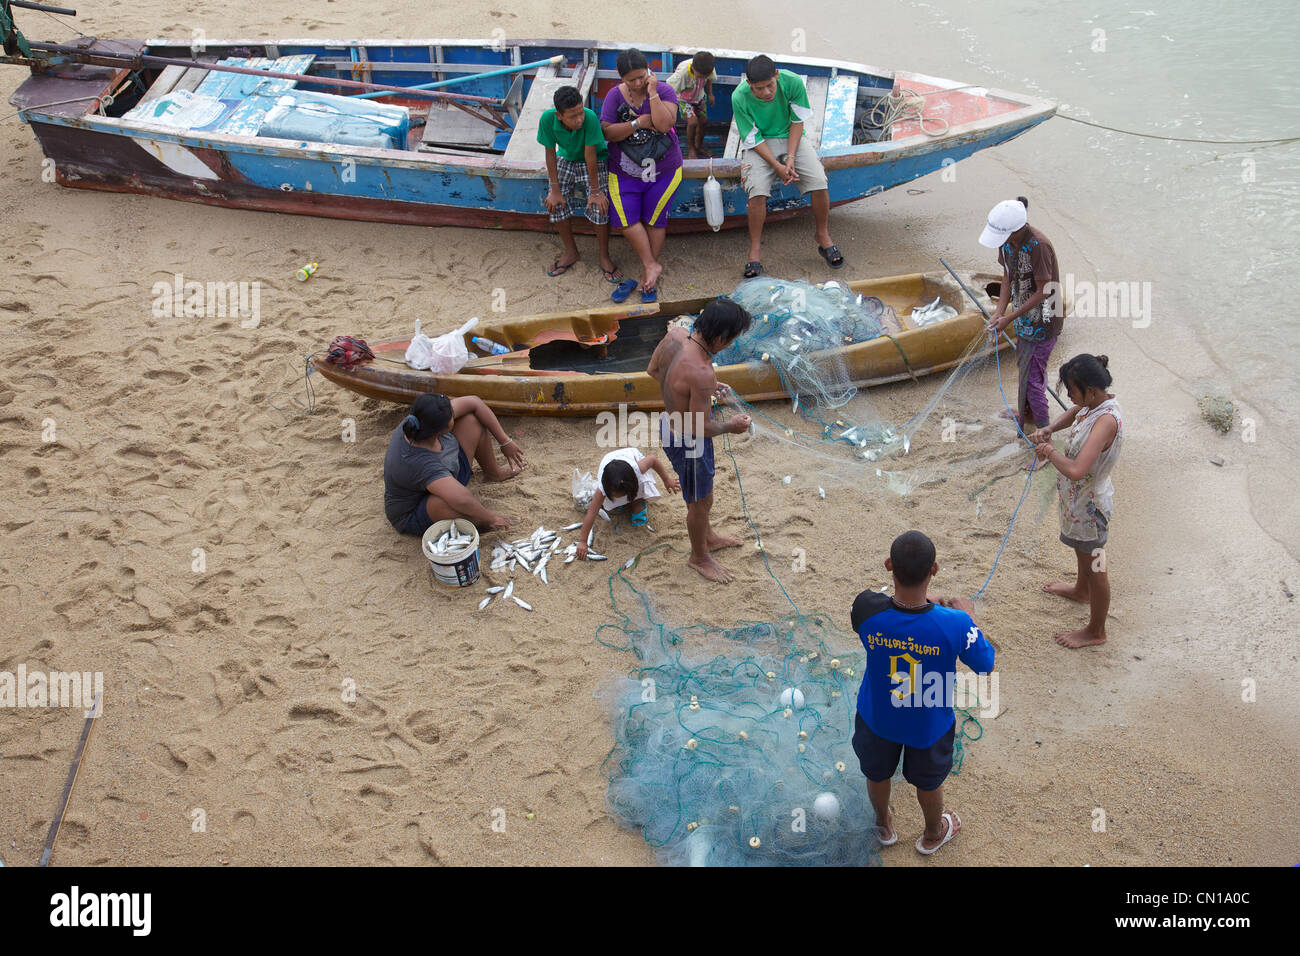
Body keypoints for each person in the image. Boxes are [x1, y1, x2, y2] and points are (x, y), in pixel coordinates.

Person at [850, 530, 995, 856]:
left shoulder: (866, 610)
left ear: (889, 565)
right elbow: (986, 665)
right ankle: (932, 833)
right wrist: (970, 616)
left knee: (877, 772)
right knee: (928, 781)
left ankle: (883, 824)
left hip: (878, 717)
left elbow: (886, 607)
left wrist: (924, 607)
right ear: (934, 569)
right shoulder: (956, 623)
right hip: (928, 723)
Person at [646, 299, 752, 582]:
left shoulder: (676, 335)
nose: (730, 346)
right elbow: (701, 426)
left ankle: (709, 537)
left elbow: (654, 371)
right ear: (719, 338)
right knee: (698, 502)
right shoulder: (703, 371)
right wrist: (732, 425)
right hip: (688, 440)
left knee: (704, 496)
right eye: (730, 340)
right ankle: (699, 557)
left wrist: (688, 392)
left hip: (670, 425)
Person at [1030, 354, 1124, 649]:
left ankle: (1097, 630)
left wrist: (1049, 450)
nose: (1069, 395)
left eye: (1072, 389)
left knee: (1096, 564)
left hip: (1092, 506)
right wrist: (1050, 429)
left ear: (1092, 390)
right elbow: (1074, 412)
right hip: (1077, 501)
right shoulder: (1091, 405)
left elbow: (1076, 469)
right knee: (1082, 552)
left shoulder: (1107, 420)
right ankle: (1080, 590)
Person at [731, 55, 841, 279]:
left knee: (819, 182)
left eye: (770, 85)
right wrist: (776, 166)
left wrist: (790, 157)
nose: (766, 93)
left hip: (792, 138)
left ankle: (822, 235)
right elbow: (752, 138)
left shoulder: (792, 82)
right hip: (759, 144)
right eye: (758, 89)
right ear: (749, 85)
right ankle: (755, 249)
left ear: (777, 76)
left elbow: (797, 121)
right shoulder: (739, 97)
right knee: (757, 193)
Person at [979, 196, 1065, 453]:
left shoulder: (1039, 246)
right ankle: (1026, 419)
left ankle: (1044, 441)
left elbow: (1045, 290)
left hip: (1045, 320)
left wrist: (1010, 317)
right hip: (1022, 318)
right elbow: (1007, 276)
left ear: (1015, 229)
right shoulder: (1007, 243)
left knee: (1033, 381)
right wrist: (999, 312)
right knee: (1025, 372)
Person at [600, 49, 684, 303]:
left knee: (655, 220)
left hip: (664, 169)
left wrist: (652, 93)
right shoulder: (614, 96)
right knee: (627, 220)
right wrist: (637, 123)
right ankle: (651, 264)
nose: (637, 83)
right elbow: (608, 133)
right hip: (624, 170)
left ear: (648, 69)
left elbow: (663, 125)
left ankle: (650, 270)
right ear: (621, 78)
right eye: (631, 80)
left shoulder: (664, 90)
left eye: (641, 77)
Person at [383, 393, 525, 536]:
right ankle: (482, 525)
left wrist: (505, 441)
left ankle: (494, 473)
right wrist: (490, 518)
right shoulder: (418, 461)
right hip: (415, 510)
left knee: (472, 421)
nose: (454, 413)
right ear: (441, 429)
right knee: (447, 503)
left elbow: (474, 402)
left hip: (447, 472)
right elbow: (461, 499)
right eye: (451, 415)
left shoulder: (422, 421)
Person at [538, 85, 623, 284]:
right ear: (559, 115)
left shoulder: (590, 117)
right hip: (566, 158)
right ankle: (571, 252)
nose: (579, 120)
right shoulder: (547, 119)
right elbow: (550, 153)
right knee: (555, 203)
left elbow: (590, 154)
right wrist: (555, 189)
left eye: (580, 113)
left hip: (594, 160)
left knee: (600, 205)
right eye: (573, 116)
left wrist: (595, 191)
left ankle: (604, 256)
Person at [575, 447, 679, 558]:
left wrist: (666, 479)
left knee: (637, 496)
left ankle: (637, 500)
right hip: (610, 466)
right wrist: (582, 541)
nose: (622, 497)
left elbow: (653, 460)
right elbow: (591, 513)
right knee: (598, 504)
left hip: (629, 462)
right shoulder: (602, 490)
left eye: (625, 494)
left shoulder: (638, 469)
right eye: (617, 496)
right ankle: (620, 500)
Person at [666, 51, 717, 159]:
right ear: (693, 68)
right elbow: (670, 89)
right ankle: (691, 148)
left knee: (703, 121)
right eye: (700, 76)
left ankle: (698, 146)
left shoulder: (708, 68)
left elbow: (709, 80)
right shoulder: (682, 74)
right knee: (693, 122)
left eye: (705, 76)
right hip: (684, 99)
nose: (702, 78)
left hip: (699, 96)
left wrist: (711, 94)